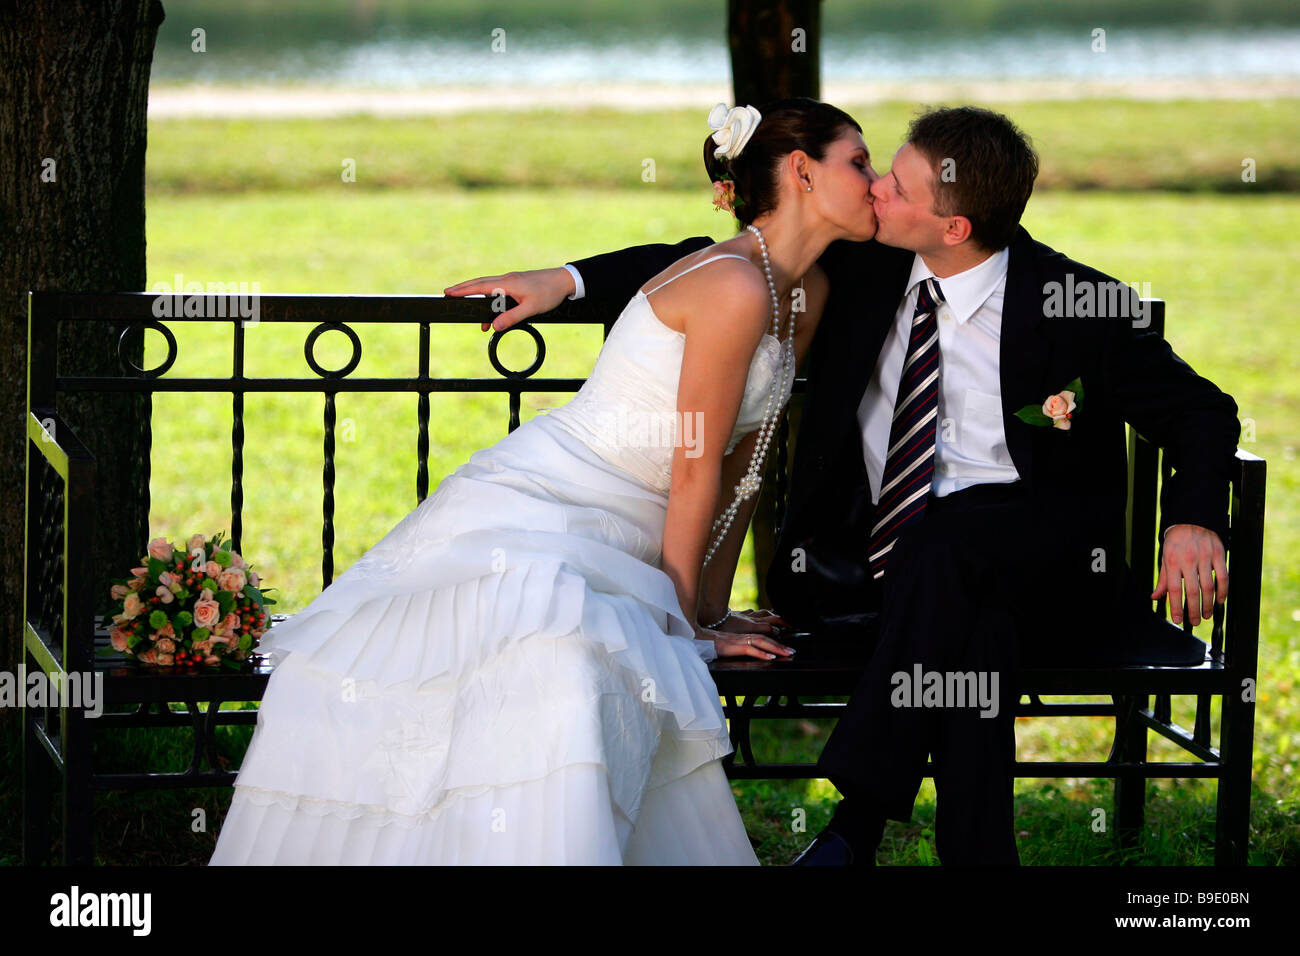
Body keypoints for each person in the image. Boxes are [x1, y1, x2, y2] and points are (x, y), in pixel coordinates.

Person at [460, 105, 1240, 865]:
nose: (875, 193)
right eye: (878, 172)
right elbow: (721, 257)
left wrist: (1194, 519)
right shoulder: (863, 266)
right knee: (971, 622)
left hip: (1043, 568)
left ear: (955, 228)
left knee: (953, 538)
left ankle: (857, 822)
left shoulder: (1078, 307)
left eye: (896, 188)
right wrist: (561, 280)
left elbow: (1201, 411)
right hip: (897, 589)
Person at [209, 97, 879, 865]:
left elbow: (741, 473)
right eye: (858, 162)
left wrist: (709, 612)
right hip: (558, 503)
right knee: (551, 653)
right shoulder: (734, 285)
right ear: (801, 171)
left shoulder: (807, 291)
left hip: (641, 533)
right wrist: (683, 624)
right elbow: (695, 465)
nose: (875, 179)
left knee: (598, 661)